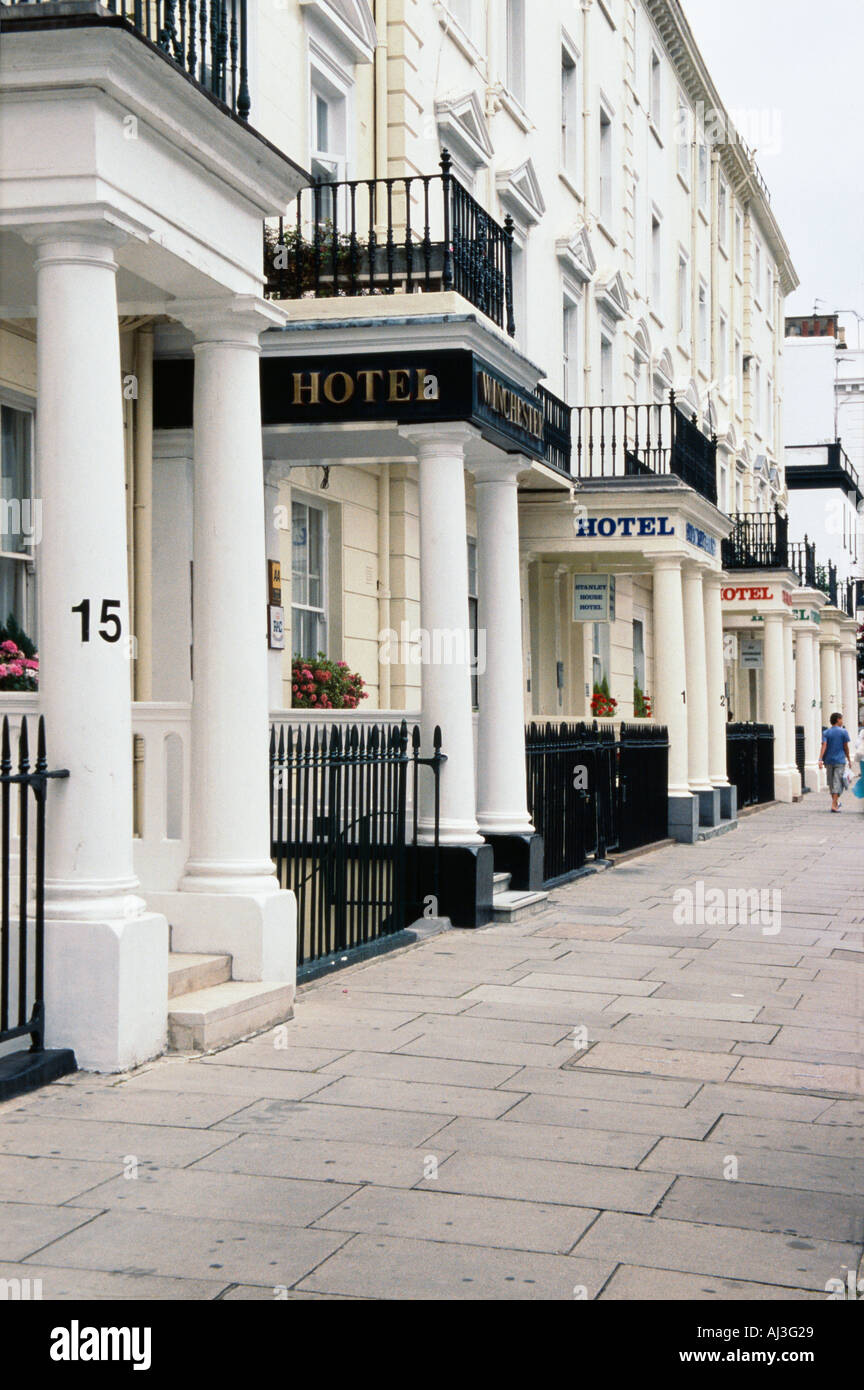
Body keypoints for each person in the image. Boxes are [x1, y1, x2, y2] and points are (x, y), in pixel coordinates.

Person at [818, 712, 852, 812]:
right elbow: (846, 747)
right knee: (837, 782)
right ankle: (834, 804)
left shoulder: (826, 732)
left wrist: (820, 759)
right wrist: (849, 759)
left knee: (831, 783)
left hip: (828, 760)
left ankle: (835, 803)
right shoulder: (843, 732)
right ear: (838, 719)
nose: (842, 721)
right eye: (841, 719)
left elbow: (824, 745)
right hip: (840, 760)